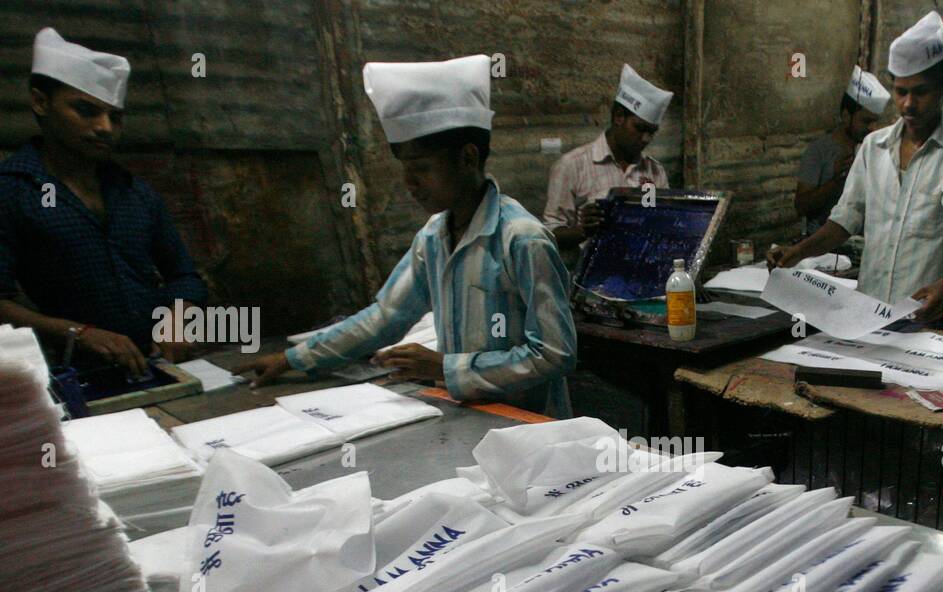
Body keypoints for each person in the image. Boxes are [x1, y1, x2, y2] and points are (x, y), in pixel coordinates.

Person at [238, 55, 577, 418]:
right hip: (464, 415)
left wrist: (445, 368)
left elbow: (554, 353)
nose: (409, 184)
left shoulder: (521, 239)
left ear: (467, 157)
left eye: (421, 169)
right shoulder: (433, 237)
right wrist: (292, 359)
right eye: (405, 170)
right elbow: (386, 317)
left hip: (529, 424)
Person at [0, 28, 207, 377]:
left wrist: (178, 318)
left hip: (158, 366)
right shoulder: (12, 191)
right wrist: (77, 334)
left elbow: (184, 275)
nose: (105, 127)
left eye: (115, 117)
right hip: (76, 376)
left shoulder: (135, 193)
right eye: (86, 111)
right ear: (40, 102)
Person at [767, 12, 943, 322]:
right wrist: (799, 252)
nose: (909, 104)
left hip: (922, 311)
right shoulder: (874, 148)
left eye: (921, 92)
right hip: (866, 312)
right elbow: (845, 220)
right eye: (901, 92)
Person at [543, 65, 672, 255]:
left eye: (651, 132)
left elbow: (664, 223)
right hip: (590, 281)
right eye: (640, 129)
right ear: (619, 117)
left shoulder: (654, 172)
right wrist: (582, 231)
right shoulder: (572, 166)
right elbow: (549, 236)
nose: (646, 139)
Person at [794, 66, 889, 236]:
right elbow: (801, 206)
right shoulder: (819, 151)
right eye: (866, 121)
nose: (872, 128)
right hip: (821, 246)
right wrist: (836, 180)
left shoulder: (874, 150)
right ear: (846, 116)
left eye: (875, 122)